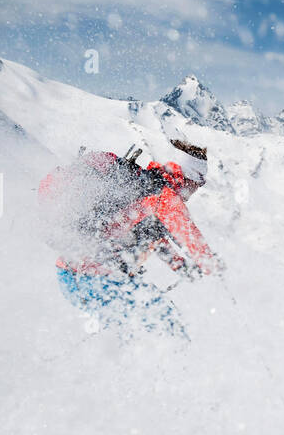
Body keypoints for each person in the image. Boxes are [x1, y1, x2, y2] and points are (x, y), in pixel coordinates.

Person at [37, 145, 221, 338]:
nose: (195, 191)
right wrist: (212, 265)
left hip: (75, 277)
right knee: (167, 328)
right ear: (188, 177)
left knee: (143, 333)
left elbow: (151, 238)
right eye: (199, 183)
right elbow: (187, 232)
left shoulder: (145, 187)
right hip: (95, 281)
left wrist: (181, 266)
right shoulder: (163, 196)